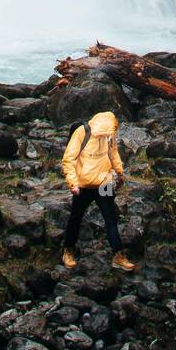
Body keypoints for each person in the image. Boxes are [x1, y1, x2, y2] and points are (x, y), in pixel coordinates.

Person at [60, 110, 135, 271]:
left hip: (104, 183)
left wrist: (120, 172)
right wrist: (73, 183)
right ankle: (68, 251)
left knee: (111, 219)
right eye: (104, 134)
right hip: (83, 185)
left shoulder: (109, 134)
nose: (106, 136)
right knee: (75, 218)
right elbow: (69, 159)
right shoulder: (82, 133)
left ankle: (118, 255)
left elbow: (113, 153)